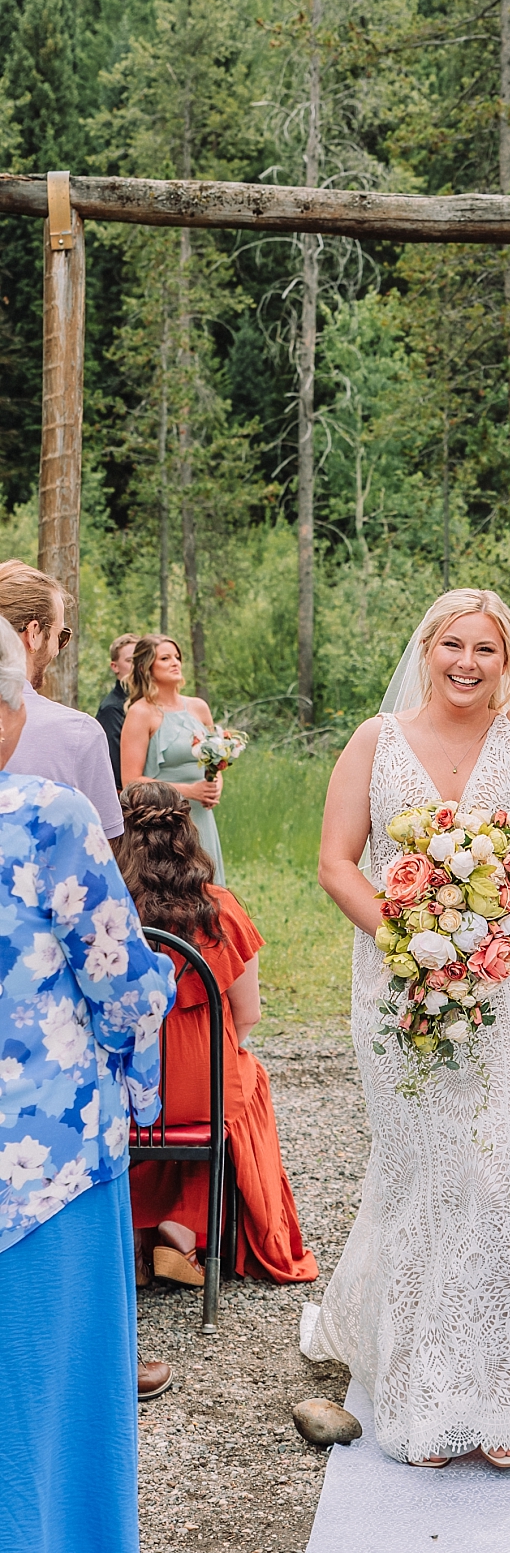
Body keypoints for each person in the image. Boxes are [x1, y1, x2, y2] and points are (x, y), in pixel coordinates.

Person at [301, 455, 510, 1469]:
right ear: (427, 651)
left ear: (504, 663)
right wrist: (404, 940)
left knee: (490, 1169)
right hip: (394, 986)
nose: (466, 659)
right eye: (451, 643)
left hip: (500, 990)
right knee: (423, 1167)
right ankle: (419, 1379)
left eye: (485, 647)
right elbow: (334, 861)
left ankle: (494, 1385)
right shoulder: (376, 739)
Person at [0, 614, 177, 1553]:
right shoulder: (43, 815)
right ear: (9, 710)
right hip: (45, 1163)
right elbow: (122, 984)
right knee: (46, 1412)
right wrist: (157, 998)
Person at [117, 781, 317, 1288]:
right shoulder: (219, 908)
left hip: (124, 1085)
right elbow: (248, 1016)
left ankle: (133, 1238)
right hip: (200, 1083)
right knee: (243, 1089)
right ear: (187, 835)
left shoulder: (106, 912)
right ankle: (181, 1231)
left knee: (149, 1118)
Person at [0, 559, 124, 840]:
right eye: (61, 636)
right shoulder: (77, 734)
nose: (57, 650)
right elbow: (106, 851)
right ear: (33, 633)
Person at [120, 634, 227, 884]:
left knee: (208, 889)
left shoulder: (199, 707)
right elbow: (131, 781)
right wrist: (189, 791)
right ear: (146, 667)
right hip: (164, 821)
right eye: (165, 658)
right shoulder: (140, 713)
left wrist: (215, 786)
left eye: (177, 657)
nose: (175, 663)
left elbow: (216, 761)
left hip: (202, 815)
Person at [97, 633, 138, 789]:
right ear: (115, 666)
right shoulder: (111, 709)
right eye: (130, 660)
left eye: (140, 659)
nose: (137, 665)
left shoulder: (148, 702)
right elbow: (115, 770)